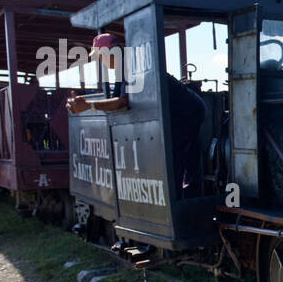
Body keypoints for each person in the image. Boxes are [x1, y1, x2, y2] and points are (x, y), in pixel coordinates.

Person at [66, 33, 207, 197]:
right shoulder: (121, 66)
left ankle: (179, 204)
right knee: (180, 160)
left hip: (187, 112)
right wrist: (86, 104)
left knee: (173, 158)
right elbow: (116, 100)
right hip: (175, 112)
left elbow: (123, 101)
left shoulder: (132, 64)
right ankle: (185, 197)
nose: (100, 62)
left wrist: (89, 106)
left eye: (100, 57)